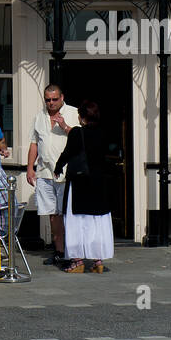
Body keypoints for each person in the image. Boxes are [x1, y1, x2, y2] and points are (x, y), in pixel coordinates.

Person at [54, 99, 114, 273]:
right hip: (99, 182)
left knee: (76, 220)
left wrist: (58, 167)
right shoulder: (103, 133)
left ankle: (77, 261)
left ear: (82, 117)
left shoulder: (77, 133)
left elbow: (67, 153)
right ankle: (98, 261)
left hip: (80, 182)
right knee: (96, 220)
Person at [26, 83, 79, 267]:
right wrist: (30, 167)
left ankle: (72, 254)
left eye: (54, 99)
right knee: (52, 214)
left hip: (66, 172)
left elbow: (81, 139)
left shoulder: (73, 113)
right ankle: (59, 251)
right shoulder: (39, 116)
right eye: (47, 99)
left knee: (67, 214)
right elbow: (34, 143)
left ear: (62, 97)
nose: (51, 103)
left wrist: (64, 125)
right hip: (44, 172)